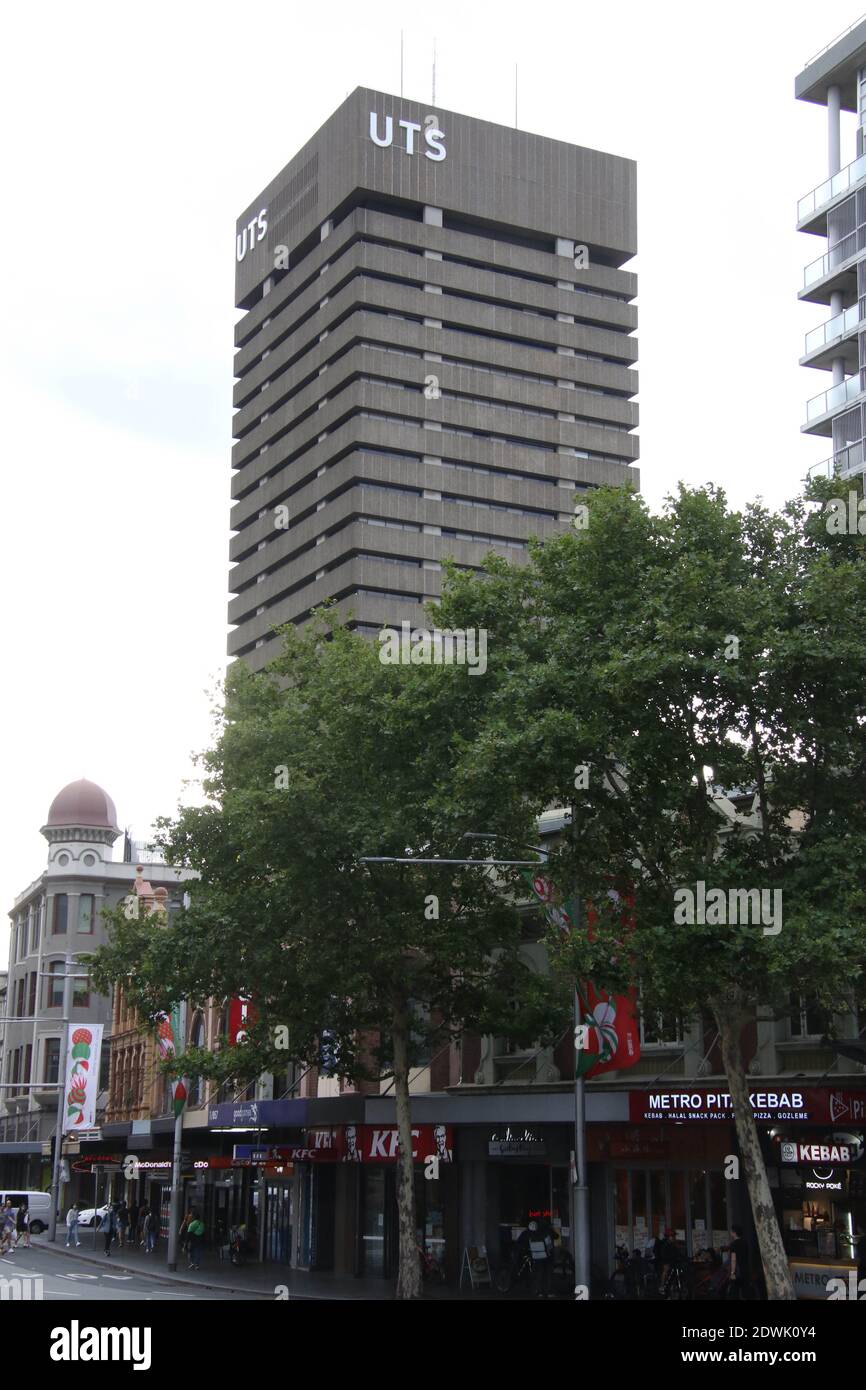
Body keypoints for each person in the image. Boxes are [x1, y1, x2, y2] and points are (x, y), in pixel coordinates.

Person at [725, 1224, 752, 1299]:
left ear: (734, 1233)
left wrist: (732, 1272)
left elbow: (734, 1259)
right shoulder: (745, 1243)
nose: (730, 1232)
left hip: (737, 1271)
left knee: (733, 1292)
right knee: (745, 1291)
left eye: (731, 1231)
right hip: (745, 1270)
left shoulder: (733, 1244)